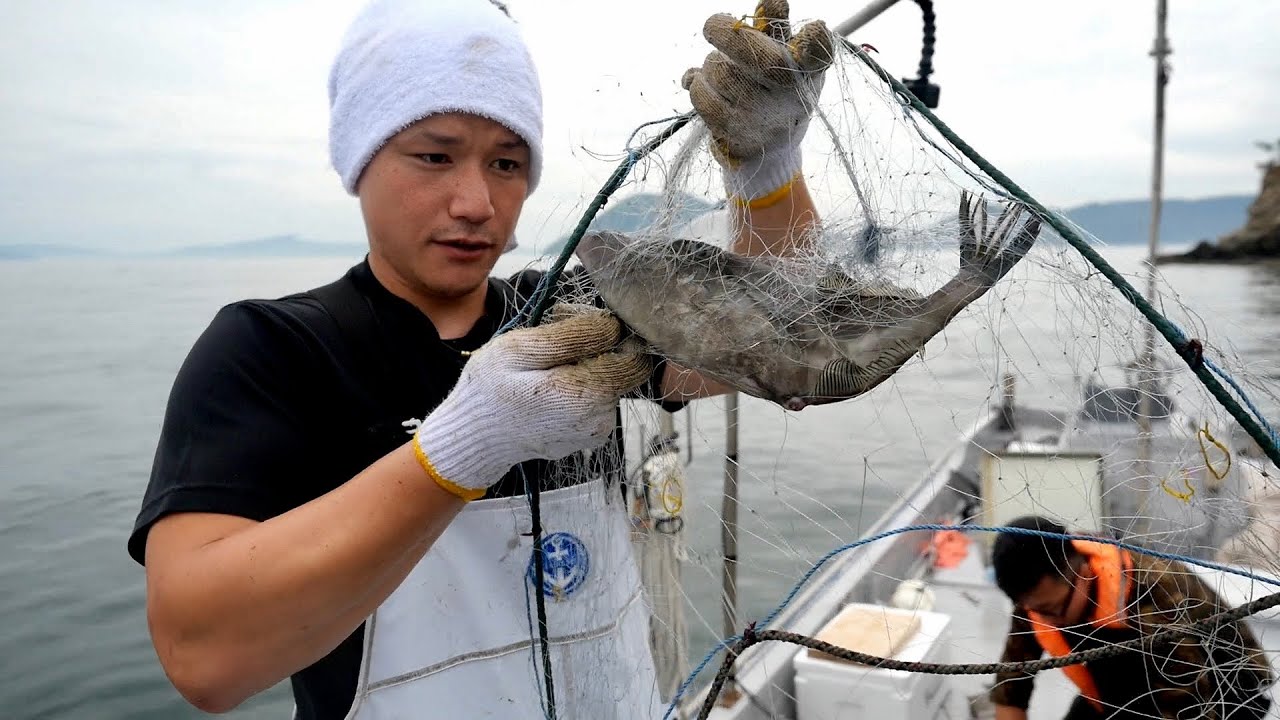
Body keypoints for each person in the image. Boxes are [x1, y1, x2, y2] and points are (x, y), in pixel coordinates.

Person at [126, 0, 834, 717]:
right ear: (359, 160)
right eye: (434, 155)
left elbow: (780, 331)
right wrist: (461, 448)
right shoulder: (275, 351)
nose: (476, 202)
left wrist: (767, 170)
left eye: (506, 163)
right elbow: (202, 656)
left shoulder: (578, 311)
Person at [988, 515, 1274, 720]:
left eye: (1052, 610)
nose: (1047, 620)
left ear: (1083, 573)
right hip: (1123, 688)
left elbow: (1187, 705)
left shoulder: (1154, 597)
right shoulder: (1037, 600)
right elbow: (1010, 688)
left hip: (1223, 689)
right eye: (1035, 610)